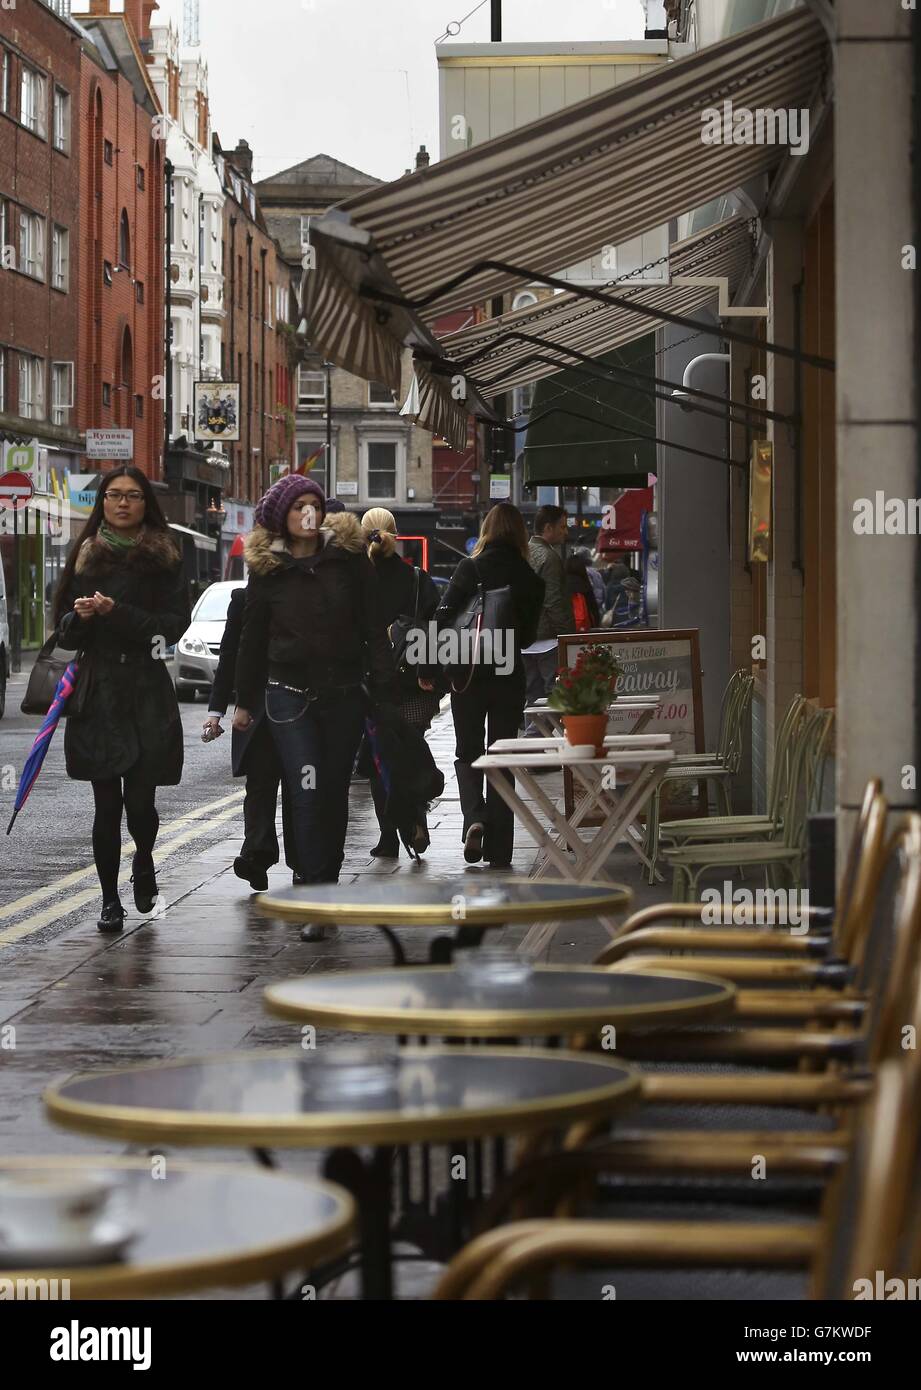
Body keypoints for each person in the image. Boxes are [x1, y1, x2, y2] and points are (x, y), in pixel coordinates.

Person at [232, 475, 397, 940]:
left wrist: (382, 686)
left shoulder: (347, 562)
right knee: (304, 789)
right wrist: (244, 702)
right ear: (281, 516)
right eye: (298, 506)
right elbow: (251, 639)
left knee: (330, 792)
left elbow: (373, 626)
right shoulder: (268, 570)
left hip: (342, 693)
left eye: (314, 505)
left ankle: (325, 887)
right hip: (288, 695)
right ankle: (311, 896)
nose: (308, 513)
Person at [52, 466, 191, 932]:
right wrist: (82, 616)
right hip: (100, 693)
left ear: (145, 503)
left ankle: (145, 859)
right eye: (114, 495)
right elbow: (65, 635)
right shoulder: (86, 556)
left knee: (141, 802)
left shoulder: (166, 557)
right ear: (103, 502)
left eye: (132, 495)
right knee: (106, 802)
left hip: (146, 690)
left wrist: (119, 612)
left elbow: (174, 627)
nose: (123, 503)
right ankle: (109, 900)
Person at [436, 503, 544, 869]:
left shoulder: (470, 567)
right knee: (501, 758)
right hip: (508, 674)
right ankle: (500, 851)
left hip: (467, 675)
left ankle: (475, 819)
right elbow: (528, 636)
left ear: (487, 530)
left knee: (468, 752)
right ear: (519, 533)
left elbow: (443, 617)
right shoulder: (530, 578)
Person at [203, 586, 300, 892]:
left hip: (301, 708)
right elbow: (230, 654)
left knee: (300, 789)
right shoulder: (243, 600)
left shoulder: (309, 594)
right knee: (259, 785)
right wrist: (216, 711)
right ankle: (257, 857)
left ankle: (303, 863)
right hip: (258, 711)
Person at [360, 507, 442, 858]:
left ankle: (389, 836)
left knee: (381, 761)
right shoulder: (418, 580)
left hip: (373, 686)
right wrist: (429, 674)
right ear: (397, 533)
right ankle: (416, 820)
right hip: (413, 688)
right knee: (409, 753)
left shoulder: (358, 579)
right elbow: (437, 630)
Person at [524, 504, 571, 712]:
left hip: (525, 639)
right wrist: (567, 635)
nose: (566, 532)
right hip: (548, 640)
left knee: (533, 697)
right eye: (562, 527)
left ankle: (534, 743)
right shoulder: (550, 558)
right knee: (556, 696)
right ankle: (538, 738)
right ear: (548, 528)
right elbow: (553, 601)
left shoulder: (522, 552)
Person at [564, 548, 601, 631]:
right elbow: (593, 609)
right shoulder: (585, 584)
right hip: (585, 627)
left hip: (567, 627)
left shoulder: (562, 585)